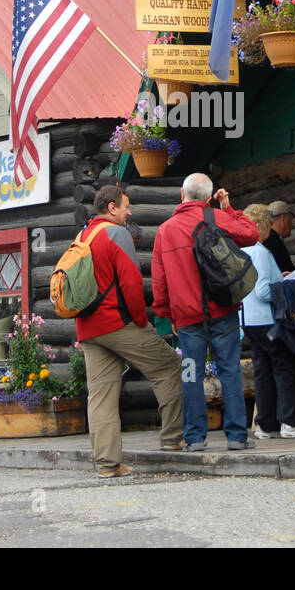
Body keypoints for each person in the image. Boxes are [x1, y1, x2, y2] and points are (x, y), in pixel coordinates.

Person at [75, 184, 185, 477]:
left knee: (100, 396)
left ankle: (107, 465)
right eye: (126, 207)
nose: (130, 212)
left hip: (88, 327)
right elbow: (132, 283)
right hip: (117, 322)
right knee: (169, 365)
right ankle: (173, 439)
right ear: (111, 208)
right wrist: (140, 320)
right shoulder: (116, 233)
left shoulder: (82, 235)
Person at [152, 172, 258, 451]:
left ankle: (195, 437)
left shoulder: (165, 230)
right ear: (209, 197)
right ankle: (236, 436)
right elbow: (251, 234)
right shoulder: (219, 218)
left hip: (187, 319)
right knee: (230, 371)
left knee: (190, 374)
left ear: (182, 193)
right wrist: (228, 208)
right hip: (223, 311)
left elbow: (159, 280)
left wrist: (168, 315)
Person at [240, 204, 295, 440]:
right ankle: (290, 422)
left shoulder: (241, 251)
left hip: (249, 320)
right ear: (264, 225)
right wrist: (289, 283)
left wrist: (279, 278)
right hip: (268, 322)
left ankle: (265, 424)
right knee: (285, 368)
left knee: (263, 371)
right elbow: (264, 291)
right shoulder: (262, 252)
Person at [264, 200, 295, 275]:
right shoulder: (273, 240)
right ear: (284, 219)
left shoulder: (265, 238)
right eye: (291, 220)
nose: (292, 225)